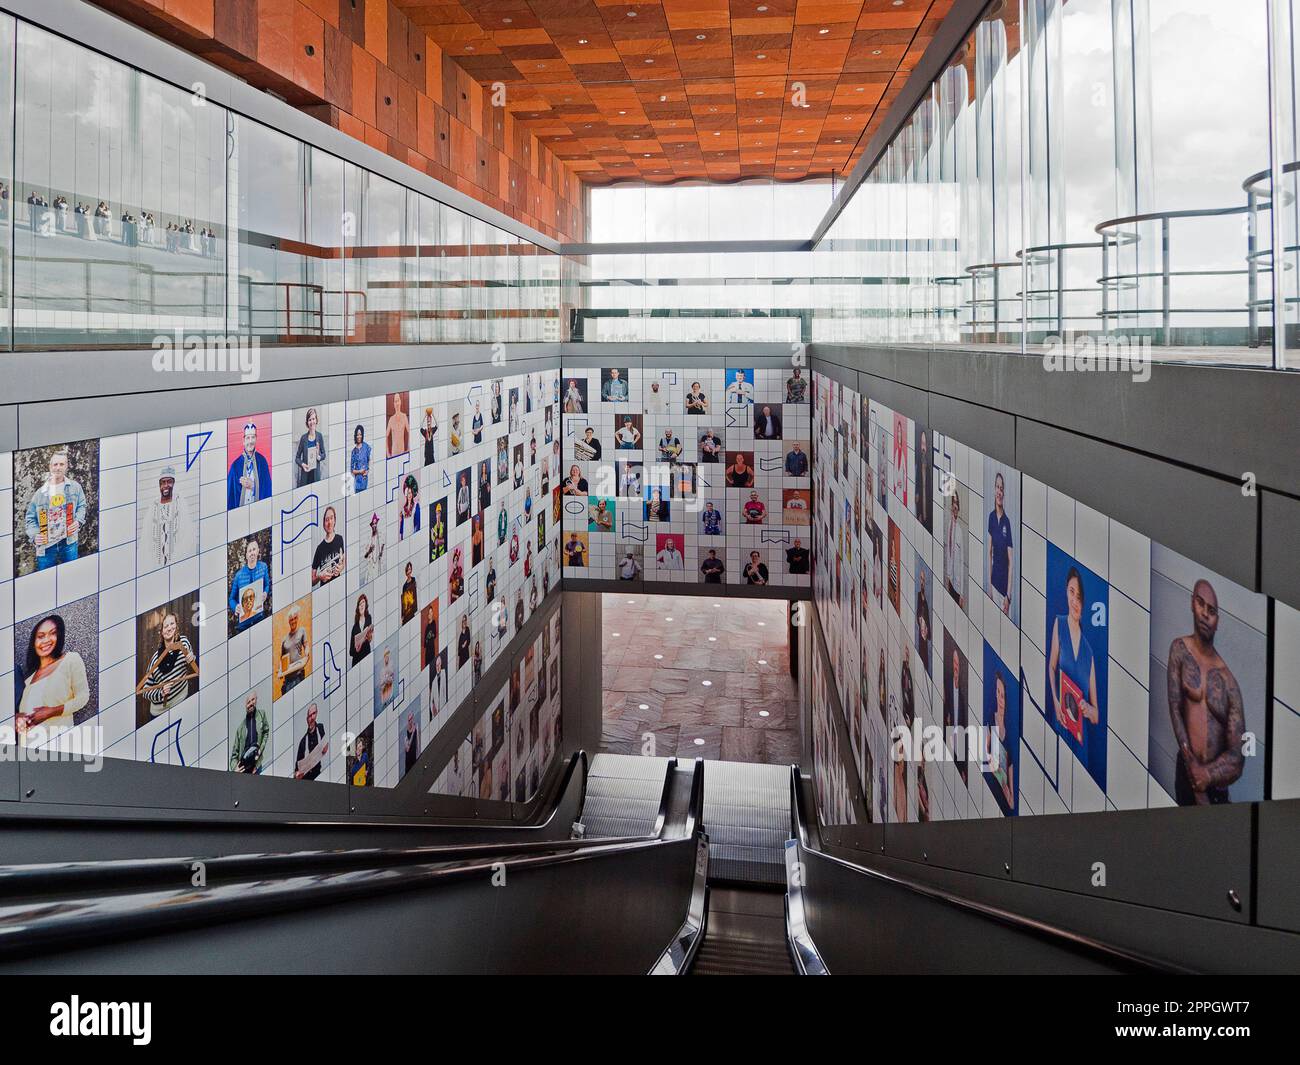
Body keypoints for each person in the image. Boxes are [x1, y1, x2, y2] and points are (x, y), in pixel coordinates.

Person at [1165, 579, 1245, 805]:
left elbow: (1238, 757)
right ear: (1192, 604)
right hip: (1185, 774)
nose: (1205, 614)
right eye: (1200, 604)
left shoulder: (1229, 683)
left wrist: (1206, 776)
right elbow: (1175, 706)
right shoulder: (1179, 650)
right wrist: (1192, 769)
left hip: (1215, 791)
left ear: (1217, 620)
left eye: (1212, 611)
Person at [1047, 567, 1101, 770]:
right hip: (1060, 723)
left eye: (1079, 597)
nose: (1074, 601)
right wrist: (1055, 699)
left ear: (1084, 602)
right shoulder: (1059, 624)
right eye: (1071, 592)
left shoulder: (1089, 652)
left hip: (1080, 741)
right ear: (1065, 591)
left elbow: (1096, 716)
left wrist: (1088, 709)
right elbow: (1051, 667)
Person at [14, 614, 90, 741]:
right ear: (34, 642)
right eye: (41, 636)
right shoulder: (28, 679)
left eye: (52, 633)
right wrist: (17, 718)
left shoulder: (70, 660)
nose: (46, 640)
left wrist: (51, 711)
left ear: (58, 636)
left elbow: (83, 697)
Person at [25, 450, 88, 570]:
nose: (58, 467)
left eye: (61, 464)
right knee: (45, 581)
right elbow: (30, 519)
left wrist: (78, 521)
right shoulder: (40, 493)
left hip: (69, 543)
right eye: (55, 464)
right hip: (46, 547)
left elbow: (82, 505)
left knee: (71, 575)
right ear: (50, 467)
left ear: (67, 466)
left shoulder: (75, 487)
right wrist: (34, 535)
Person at [137, 612, 198, 715]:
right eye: (166, 626)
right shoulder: (155, 660)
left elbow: (190, 664)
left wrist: (192, 658)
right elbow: (145, 690)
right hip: (161, 712)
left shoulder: (184, 643)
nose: (169, 628)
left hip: (183, 700)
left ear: (176, 626)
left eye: (172, 624)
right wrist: (161, 692)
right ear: (161, 632)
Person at [141, 464, 193, 570]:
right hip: (155, 567)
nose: (165, 485)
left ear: (173, 483)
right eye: (162, 482)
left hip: (176, 566)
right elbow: (145, 539)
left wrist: (175, 562)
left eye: (169, 482)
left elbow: (188, 535)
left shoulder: (180, 503)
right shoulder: (153, 507)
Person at [986, 470, 1014, 616]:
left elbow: (1011, 562)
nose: (999, 491)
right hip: (994, 586)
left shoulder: (1007, 522)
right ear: (994, 489)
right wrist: (990, 587)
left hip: (1004, 594)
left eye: (1001, 488)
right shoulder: (991, 518)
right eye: (997, 487)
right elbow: (989, 553)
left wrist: (1008, 596)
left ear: (1004, 493)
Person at [227, 422, 272, 508]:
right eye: (248, 438)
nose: (250, 441)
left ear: (256, 439)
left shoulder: (262, 462)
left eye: (253, 437)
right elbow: (230, 496)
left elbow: (268, 489)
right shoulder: (235, 466)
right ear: (243, 441)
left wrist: (254, 485)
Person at [229, 537, 270, 631]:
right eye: (249, 551)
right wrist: (235, 607)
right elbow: (231, 599)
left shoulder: (263, 567)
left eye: (254, 549)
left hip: (259, 618)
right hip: (244, 624)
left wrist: (265, 593)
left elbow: (267, 585)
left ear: (258, 551)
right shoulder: (239, 575)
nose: (252, 553)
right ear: (246, 555)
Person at [230, 689, 270, 773]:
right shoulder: (240, 728)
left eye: (253, 700)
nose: (251, 703)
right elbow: (234, 754)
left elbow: (266, 732)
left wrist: (260, 749)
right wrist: (235, 769)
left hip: (257, 766)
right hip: (244, 770)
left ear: (256, 699)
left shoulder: (262, 715)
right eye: (248, 702)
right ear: (245, 705)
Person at [278, 604, 310, 696]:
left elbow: (306, 644)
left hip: (298, 675)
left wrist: (307, 652)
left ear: (297, 618)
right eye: (291, 619)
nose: (293, 621)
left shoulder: (302, 631)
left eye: (295, 618)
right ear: (288, 621)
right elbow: (282, 658)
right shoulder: (284, 639)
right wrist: (281, 670)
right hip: (288, 678)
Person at [311, 505, 345, 586]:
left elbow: (344, 557)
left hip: (338, 585)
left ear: (335, 520)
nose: (329, 522)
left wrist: (342, 566)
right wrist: (319, 577)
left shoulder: (340, 539)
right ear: (323, 524)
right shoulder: (319, 548)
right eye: (326, 520)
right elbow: (312, 581)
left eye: (331, 518)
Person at [943, 490, 966, 609]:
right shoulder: (949, 526)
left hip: (957, 585)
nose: (955, 506)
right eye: (953, 502)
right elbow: (948, 553)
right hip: (950, 581)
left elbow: (961, 563)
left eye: (957, 503)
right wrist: (947, 577)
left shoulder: (960, 531)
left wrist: (961, 593)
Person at [294, 703, 329, 780]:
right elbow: (297, 770)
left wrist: (326, 746)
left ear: (317, 713)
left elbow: (326, 744)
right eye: (309, 716)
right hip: (307, 780)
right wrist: (297, 775)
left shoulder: (320, 728)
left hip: (318, 776)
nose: (312, 718)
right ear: (307, 719)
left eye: (314, 714)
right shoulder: (303, 742)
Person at [294, 407, 326, 487]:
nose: (312, 422)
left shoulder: (319, 436)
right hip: (305, 477)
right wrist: (303, 465)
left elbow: (324, 454)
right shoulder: (303, 438)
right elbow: (297, 458)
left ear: (316, 420)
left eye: (313, 419)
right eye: (310, 420)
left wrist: (318, 457)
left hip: (316, 477)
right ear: (307, 422)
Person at [351, 594, 374, 666]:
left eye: (363, 602)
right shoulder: (355, 628)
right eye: (360, 604)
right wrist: (358, 646)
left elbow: (369, 640)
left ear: (366, 605)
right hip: (357, 661)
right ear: (358, 607)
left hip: (366, 657)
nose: (361, 605)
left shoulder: (368, 618)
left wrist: (369, 637)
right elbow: (351, 652)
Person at [398, 474, 421, 540]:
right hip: (404, 537)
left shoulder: (416, 505)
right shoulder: (403, 509)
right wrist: (401, 537)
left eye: (411, 493)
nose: (409, 495)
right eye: (408, 493)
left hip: (412, 536)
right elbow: (402, 525)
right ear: (406, 494)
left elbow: (418, 523)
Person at [363, 513, 384, 584]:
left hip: (377, 563)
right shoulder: (368, 538)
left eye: (376, 523)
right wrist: (369, 551)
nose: (374, 525)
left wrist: (381, 552)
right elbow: (365, 556)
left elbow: (383, 543)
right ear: (371, 525)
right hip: (371, 565)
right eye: (373, 524)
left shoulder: (379, 535)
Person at [350, 425, 371, 492]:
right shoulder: (354, 451)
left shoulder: (366, 447)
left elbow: (369, 460)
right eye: (357, 435)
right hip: (357, 481)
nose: (359, 436)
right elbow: (352, 470)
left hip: (364, 479)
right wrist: (360, 471)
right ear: (355, 436)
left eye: (360, 434)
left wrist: (367, 471)